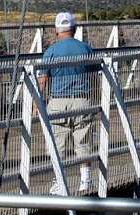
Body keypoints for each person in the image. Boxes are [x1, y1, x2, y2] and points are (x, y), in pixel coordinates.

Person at [37, 11, 99, 195]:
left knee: (58, 145)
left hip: (57, 102)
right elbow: (95, 76)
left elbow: (42, 80)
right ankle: (85, 182)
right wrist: (96, 98)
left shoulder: (51, 52)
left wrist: (36, 105)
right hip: (82, 100)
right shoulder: (86, 49)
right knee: (83, 141)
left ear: (56, 31)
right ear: (75, 29)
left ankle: (59, 184)